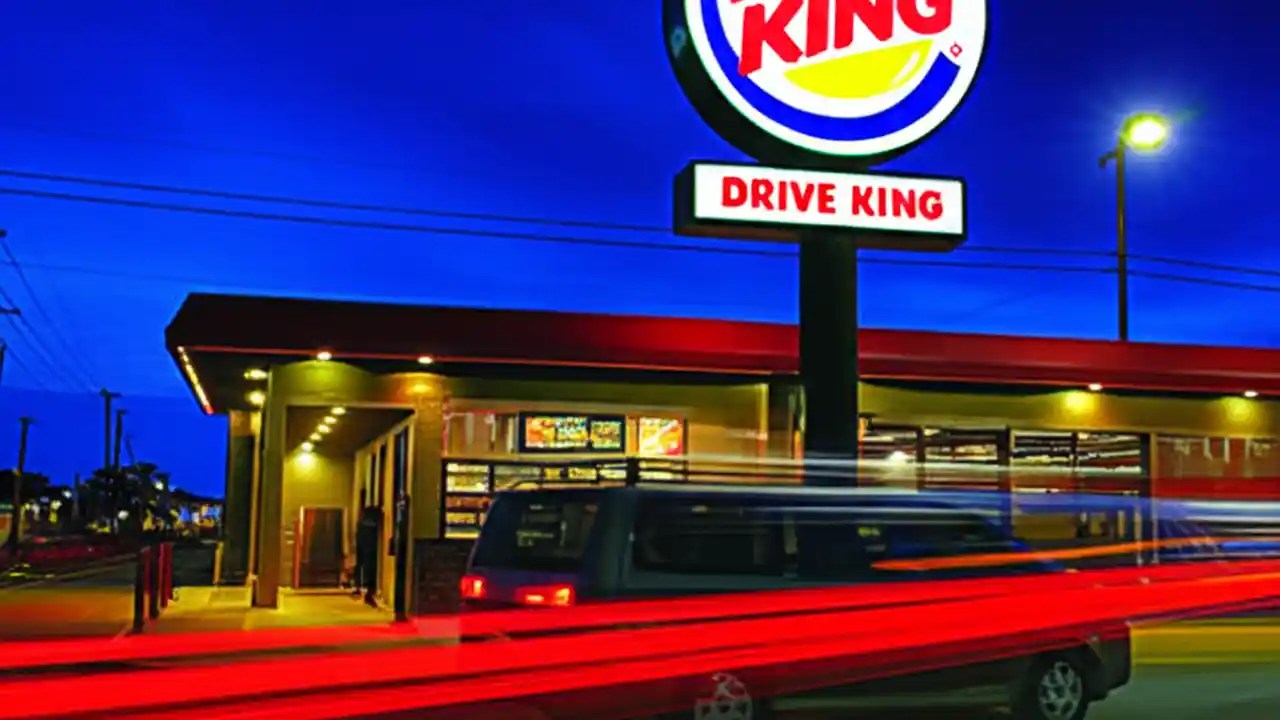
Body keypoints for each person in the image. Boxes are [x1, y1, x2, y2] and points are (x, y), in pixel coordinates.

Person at [355, 504, 382, 606]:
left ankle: (363, 588)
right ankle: (368, 591)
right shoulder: (370, 529)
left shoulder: (362, 527)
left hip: (365, 550)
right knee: (370, 567)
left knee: (365, 565)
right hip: (369, 552)